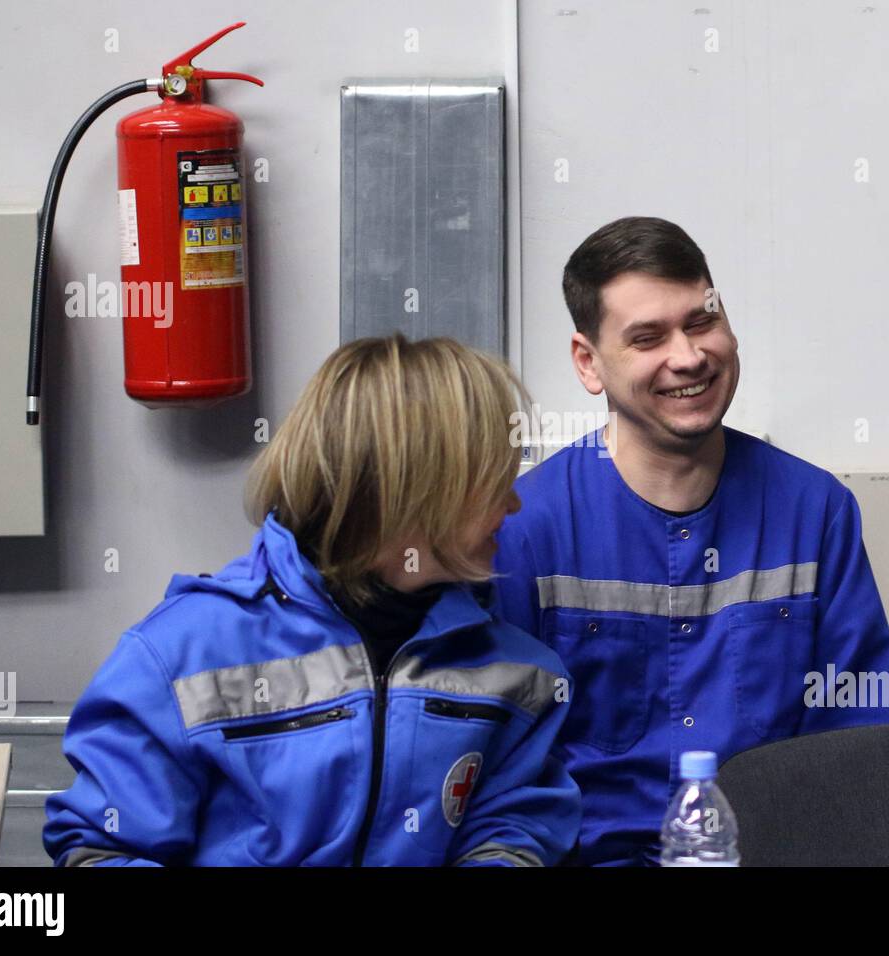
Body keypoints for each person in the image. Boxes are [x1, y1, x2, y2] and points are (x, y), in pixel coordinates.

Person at [44, 335, 581, 866]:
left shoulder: (517, 670)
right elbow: (101, 848)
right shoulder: (182, 655)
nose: (513, 503)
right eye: (492, 484)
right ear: (417, 490)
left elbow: (513, 828)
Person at [492, 216, 889, 866]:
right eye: (648, 338)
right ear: (588, 363)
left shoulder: (816, 512)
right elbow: (496, 778)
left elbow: (857, 741)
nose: (688, 356)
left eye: (702, 321)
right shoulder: (522, 530)